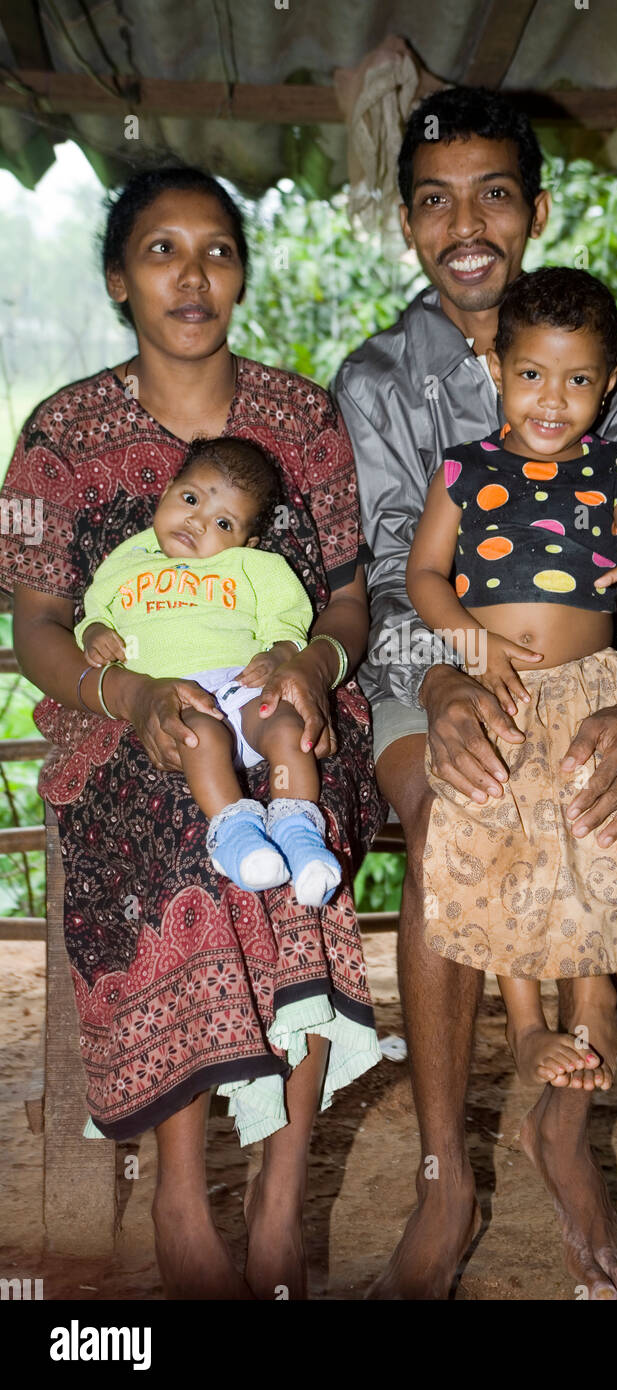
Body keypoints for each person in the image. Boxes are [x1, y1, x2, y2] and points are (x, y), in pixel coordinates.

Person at [334, 86, 617, 1299]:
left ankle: (564, 1119)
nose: (467, 223)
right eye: (437, 199)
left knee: (611, 801)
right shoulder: (378, 379)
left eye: (494, 192)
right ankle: (448, 1175)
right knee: (455, 809)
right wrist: (446, 684)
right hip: (426, 667)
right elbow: (393, 575)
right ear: (407, 224)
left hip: (591, 677)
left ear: (534, 209)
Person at [1, 165, 388, 1300]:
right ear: (120, 278)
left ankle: (276, 1199)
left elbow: (352, 597)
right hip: (116, 720)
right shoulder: (63, 433)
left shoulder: (300, 418)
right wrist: (124, 702)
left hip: (289, 703)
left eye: (216, 248)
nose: (192, 273)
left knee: (295, 828)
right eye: (161, 251)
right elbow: (33, 619)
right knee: (174, 815)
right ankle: (179, 1185)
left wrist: (311, 663)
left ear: (242, 270)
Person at [407, 265, 617, 1088]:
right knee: (503, 839)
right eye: (532, 375)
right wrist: (468, 644)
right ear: (498, 369)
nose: (551, 399)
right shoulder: (461, 471)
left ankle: (595, 994)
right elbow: (424, 575)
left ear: (609, 386)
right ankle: (530, 1024)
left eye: (577, 381)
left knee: (601, 830)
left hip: (593, 688)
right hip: (497, 693)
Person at [76, 434, 342, 905]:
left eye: (222, 522)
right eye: (191, 499)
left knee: (286, 727)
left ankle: (300, 834)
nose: (197, 521)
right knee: (200, 737)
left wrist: (281, 652)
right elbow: (97, 608)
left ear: (247, 540)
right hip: (178, 694)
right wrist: (95, 630)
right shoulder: (126, 562)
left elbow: (287, 617)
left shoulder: (254, 565)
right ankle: (235, 834)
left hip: (243, 684)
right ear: (166, 493)